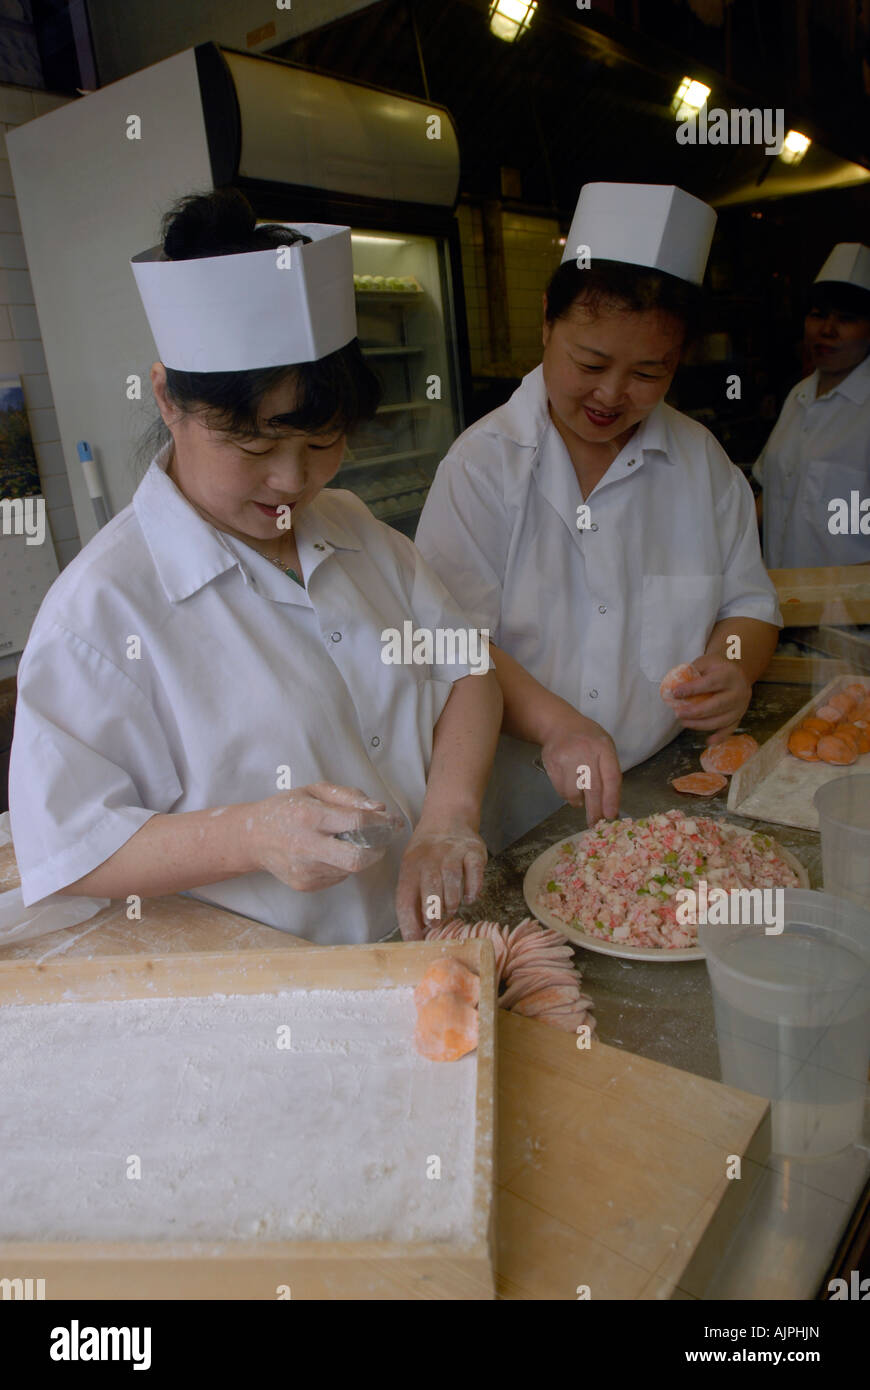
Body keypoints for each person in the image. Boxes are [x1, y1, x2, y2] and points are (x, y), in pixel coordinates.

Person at [9, 188, 501, 941]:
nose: (292, 481)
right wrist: (249, 834)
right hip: (284, 988)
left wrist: (447, 819)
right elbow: (67, 849)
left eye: (322, 442)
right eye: (255, 446)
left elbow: (466, 669)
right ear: (169, 399)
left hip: (428, 951)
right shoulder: (104, 612)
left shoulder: (355, 531)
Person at [416, 183, 780, 853]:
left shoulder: (701, 463)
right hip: (523, 805)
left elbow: (749, 602)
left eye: (649, 372)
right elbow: (453, 642)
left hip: (663, 789)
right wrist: (559, 725)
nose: (612, 394)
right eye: (591, 362)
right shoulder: (481, 468)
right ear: (547, 320)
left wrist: (734, 665)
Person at [754, 242, 870, 569]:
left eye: (846, 319)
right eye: (818, 316)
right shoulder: (799, 395)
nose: (827, 331)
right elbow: (774, 490)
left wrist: (846, 600)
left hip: (849, 613)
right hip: (782, 600)